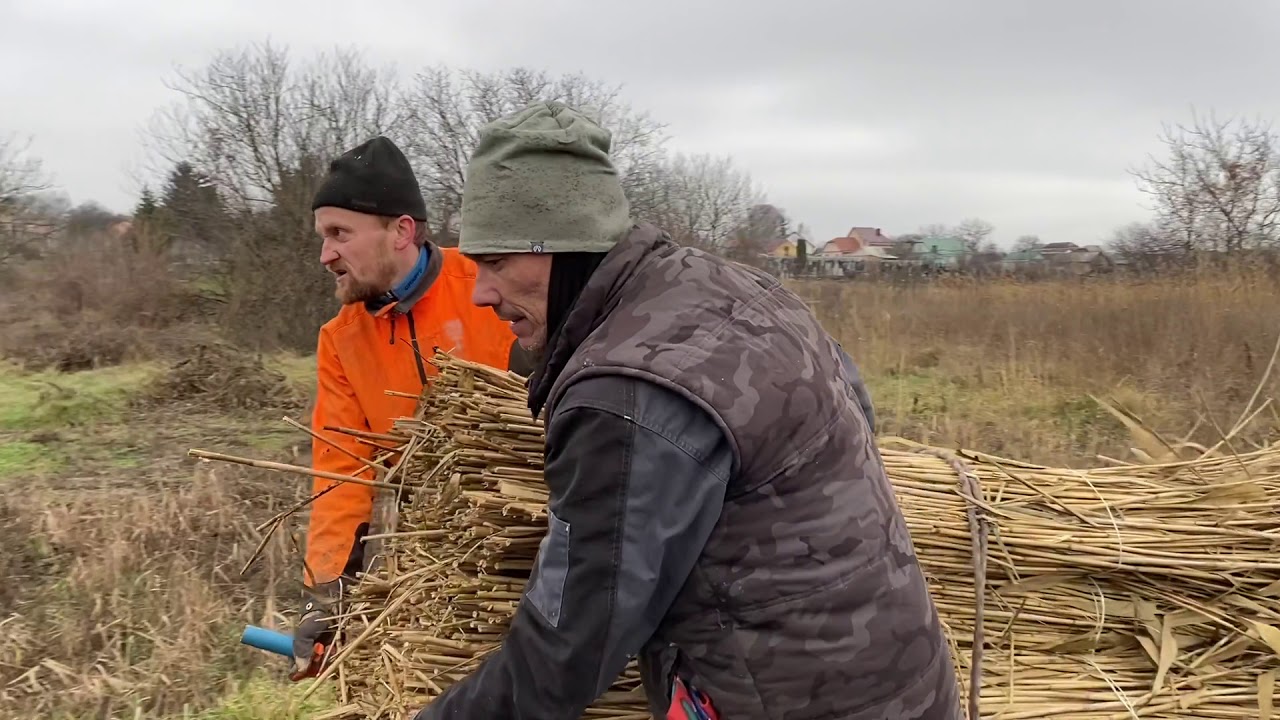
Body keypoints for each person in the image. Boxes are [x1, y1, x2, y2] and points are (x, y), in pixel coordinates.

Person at [410, 102, 961, 719]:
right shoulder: (736, 288)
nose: (480, 293)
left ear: (565, 245)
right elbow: (857, 410)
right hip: (907, 679)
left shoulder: (622, 398)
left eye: (497, 262)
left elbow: (566, 651)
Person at [292, 135, 536, 679]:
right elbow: (339, 473)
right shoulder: (341, 341)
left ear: (401, 231)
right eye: (323, 237)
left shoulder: (491, 288)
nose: (326, 255)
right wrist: (325, 596)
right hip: (442, 549)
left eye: (340, 234)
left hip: (537, 527)